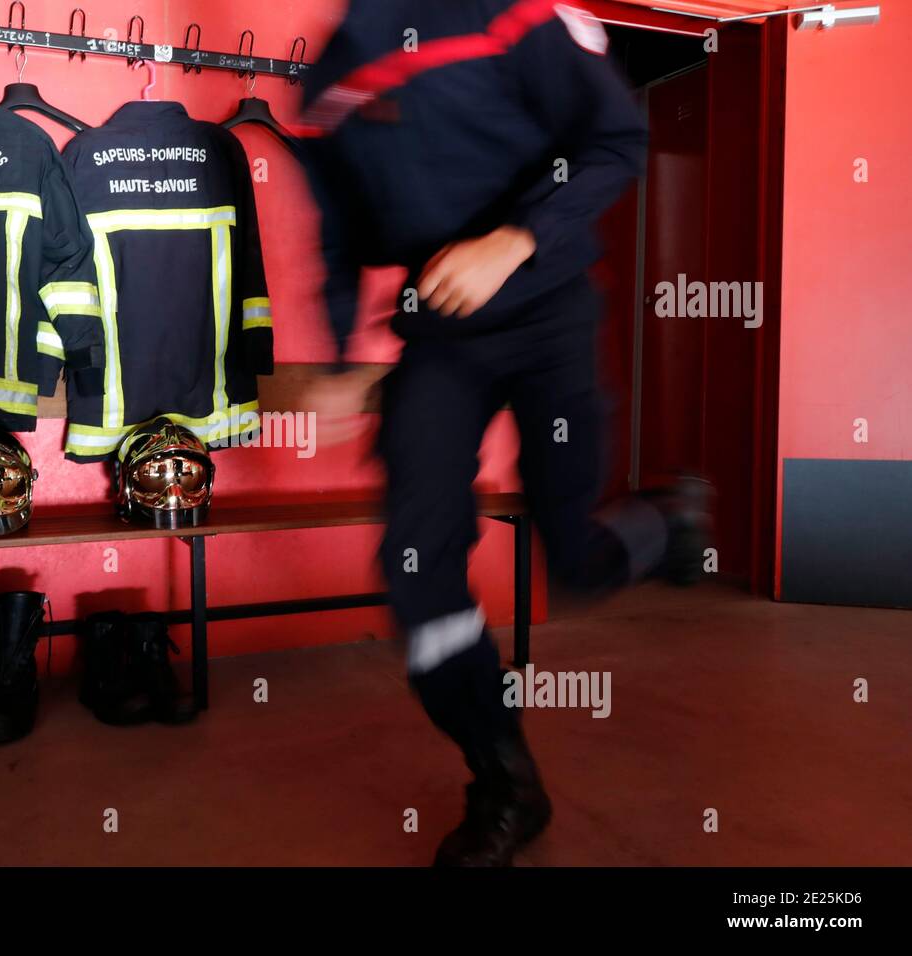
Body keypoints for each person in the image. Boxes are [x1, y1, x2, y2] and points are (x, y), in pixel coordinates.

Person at [296, 0, 711, 866]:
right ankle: (505, 783)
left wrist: (516, 239)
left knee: (573, 564)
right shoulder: (330, 78)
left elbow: (614, 142)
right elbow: (338, 232)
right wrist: (338, 357)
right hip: (439, 336)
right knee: (417, 568)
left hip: (546, 312)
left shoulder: (506, 17)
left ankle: (663, 525)